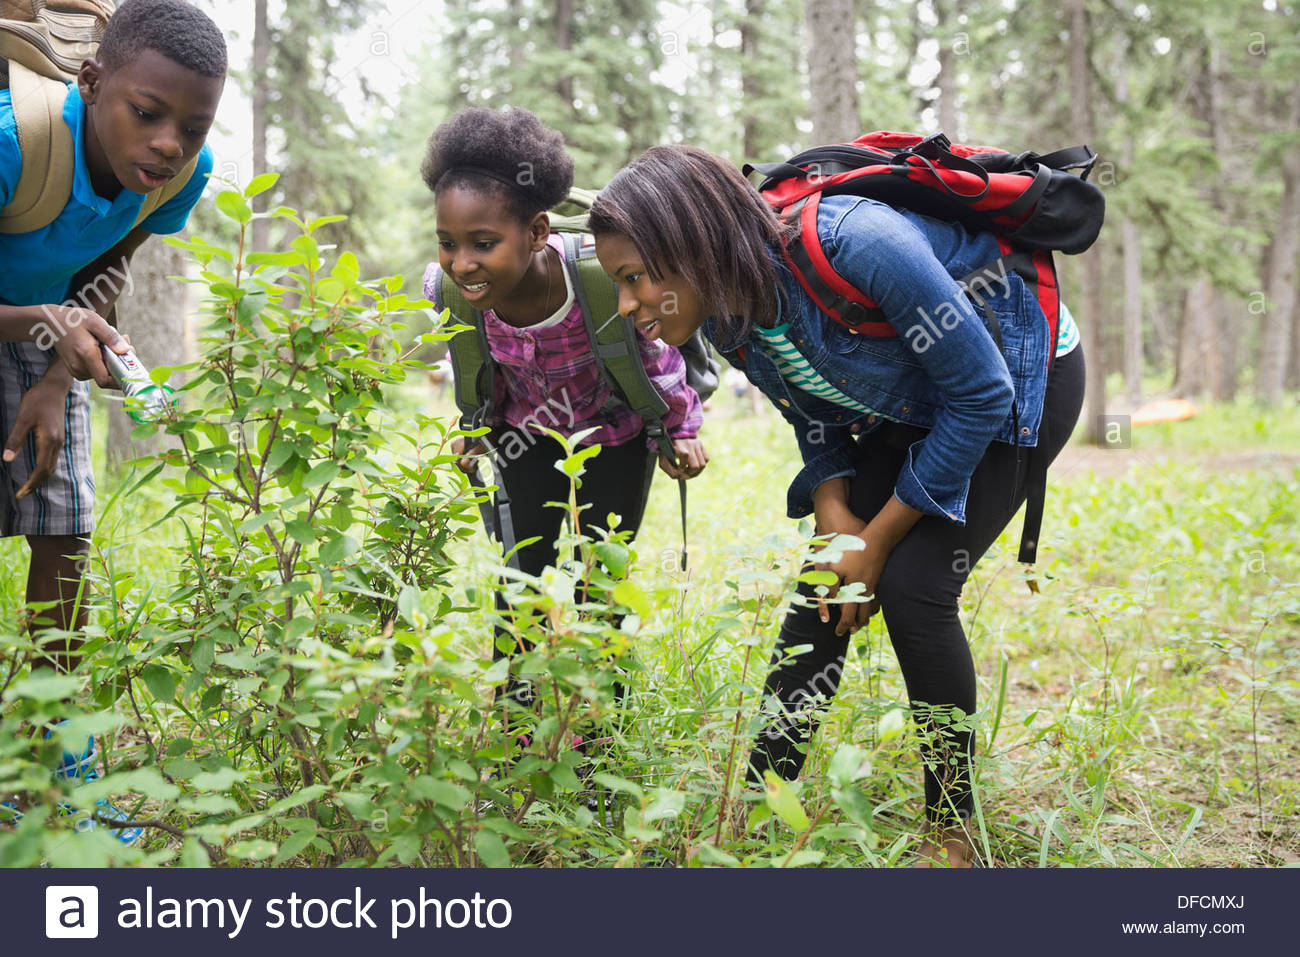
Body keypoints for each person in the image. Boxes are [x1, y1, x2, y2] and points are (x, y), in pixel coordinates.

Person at [589, 145, 1085, 866]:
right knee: (829, 578)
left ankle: (953, 830)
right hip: (919, 395)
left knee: (916, 587)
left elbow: (980, 394)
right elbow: (808, 405)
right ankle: (764, 801)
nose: (629, 305)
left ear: (690, 247)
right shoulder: (724, 311)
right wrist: (833, 512)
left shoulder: (861, 245)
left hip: (1015, 374)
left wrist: (876, 541)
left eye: (633, 279)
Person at [0, 0, 226, 842]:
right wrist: (41, 325)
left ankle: (54, 752)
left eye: (194, 126)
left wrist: (59, 373)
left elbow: (108, 261)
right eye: (148, 113)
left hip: (51, 322)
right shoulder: (13, 142)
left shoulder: (178, 177)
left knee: (64, 527)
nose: (170, 143)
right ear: (92, 84)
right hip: (24, 315)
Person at [419, 108, 707, 738]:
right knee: (521, 573)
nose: (462, 262)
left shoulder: (598, 281)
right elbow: (471, 364)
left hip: (616, 436)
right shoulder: (452, 296)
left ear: (538, 232)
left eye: (483, 243)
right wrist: (473, 429)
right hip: (527, 438)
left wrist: (681, 429)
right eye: (448, 242)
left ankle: (604, 730)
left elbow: (657, 361)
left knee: (601, 578)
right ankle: (517, 728)